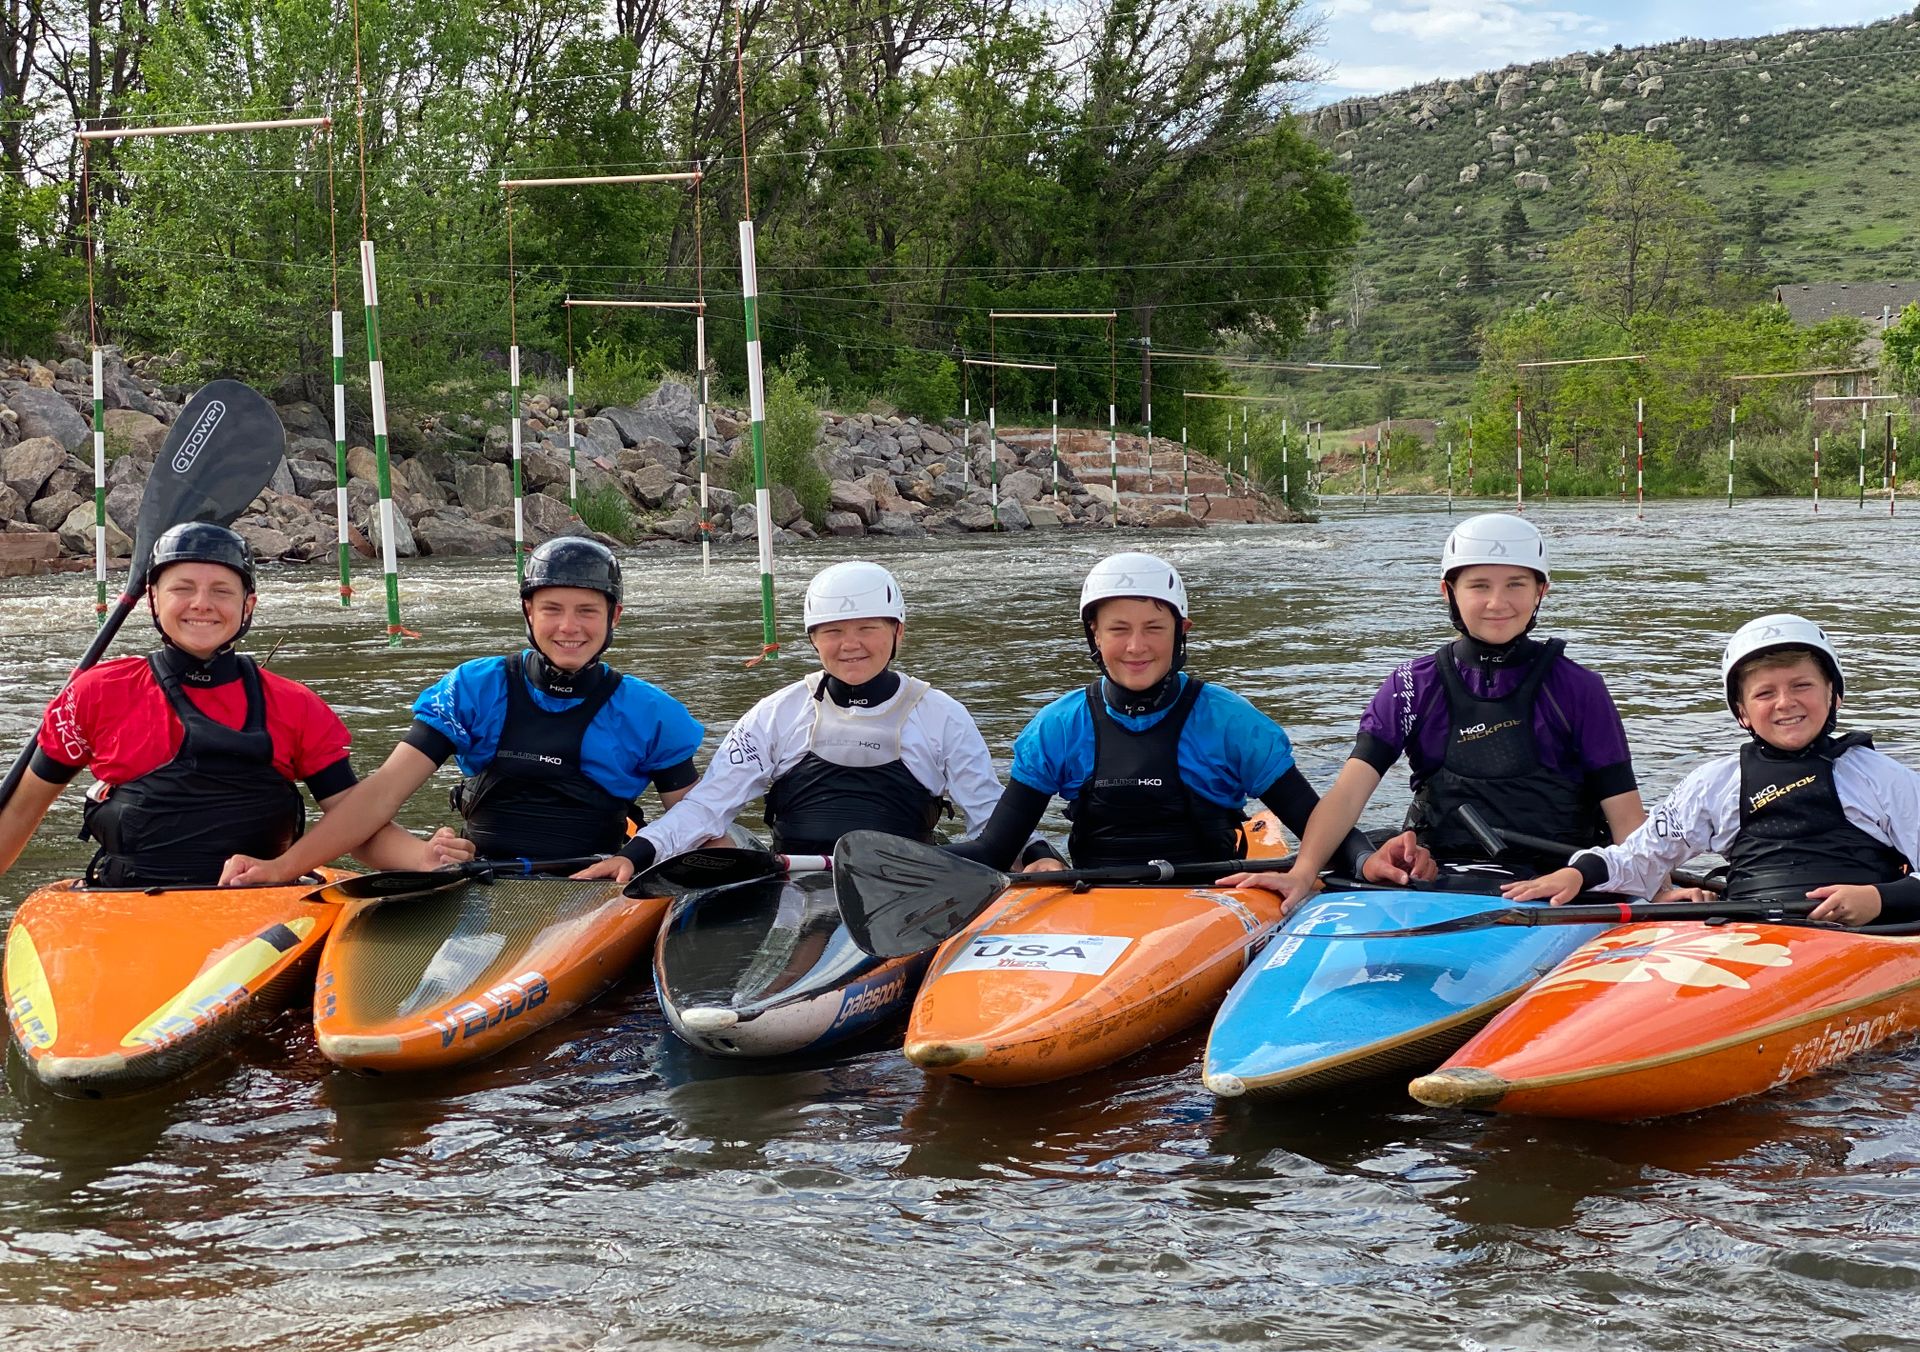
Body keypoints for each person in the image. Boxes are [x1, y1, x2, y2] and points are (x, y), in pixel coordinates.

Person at [0, 522, 468, 888]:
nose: (201, 604)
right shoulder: (95, 693)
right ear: (152, 601)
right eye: (183, 587)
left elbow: (353, 820)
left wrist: (420, 857)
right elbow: (22, 811)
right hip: (127, 902)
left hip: (254, 900)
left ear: (248, 606)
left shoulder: (295, 705)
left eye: (222, 591)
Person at [1222, 514, 1644, 914]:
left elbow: (1626, 817)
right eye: (1479, 586)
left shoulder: (1580, 688)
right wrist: (1303, 872)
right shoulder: (1411, 686)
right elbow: (1347, 795)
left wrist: (1658, 886)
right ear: (1449, 592)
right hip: (1440, 874)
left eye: (1516, 584)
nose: (1498, 602)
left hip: (1558, 881)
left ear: (1541, 592)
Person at [221, 536, 700, 885]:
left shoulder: (651, 713)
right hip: (477, 879)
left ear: (614, 616)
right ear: (528, 613)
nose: (568, 626)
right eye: (551, 608)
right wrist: (281, 869)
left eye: (587, 610)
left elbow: (697, 821)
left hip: (595, 886)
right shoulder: (475, 688)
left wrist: (639, 856)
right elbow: (380, 796)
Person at [946, 552, 1416, 879]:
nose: (1136, 646)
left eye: (1154, 628)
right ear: (1094, 635)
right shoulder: (1057, 727)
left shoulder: (1231, 723)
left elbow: (1314, 823)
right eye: (1118, 630)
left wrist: (1361, 859)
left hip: (1214, 893)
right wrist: (902, 861)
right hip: (1096, 895)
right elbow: (994, 850)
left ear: (1181, 631)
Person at [615, 560, 1042, 881]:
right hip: (791, 882)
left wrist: (1039, 854)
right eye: (833, 631)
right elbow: (706, 807)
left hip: (906, 886)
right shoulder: (775, 713)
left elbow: (989, 818)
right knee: (709, 838)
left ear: (898, 633)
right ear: (813, 639)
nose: (850, 645)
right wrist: (635, 854)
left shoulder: (942, 715)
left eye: (867, 628)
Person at [1504, 614, 1920, 926]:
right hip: (1746, 934)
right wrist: (1577, 874)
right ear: (1742, 712)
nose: (1785, 703)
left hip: (1866, 937)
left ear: (1834, 694)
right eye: (1764, 693)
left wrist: (1878, 900)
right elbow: (1640, 859)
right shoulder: (1714, 784)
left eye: (1802, 685)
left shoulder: (1885, 779)